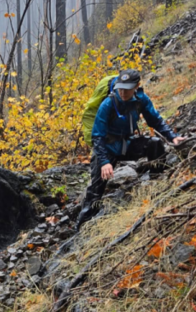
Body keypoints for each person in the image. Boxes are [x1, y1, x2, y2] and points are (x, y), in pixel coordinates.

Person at [76, 69, 185, 229]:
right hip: (106, 148)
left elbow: (155, 120)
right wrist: (105, 162)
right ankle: (81, 226)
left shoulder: (141, 99)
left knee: (155, 144)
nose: (123, 92)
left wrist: (172, 136)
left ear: (137, 86)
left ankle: (157, 187)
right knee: (96, 189)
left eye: (127, 89)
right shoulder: (108, 103)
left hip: (127, 145)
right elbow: (97, 135)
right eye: (121, 88)